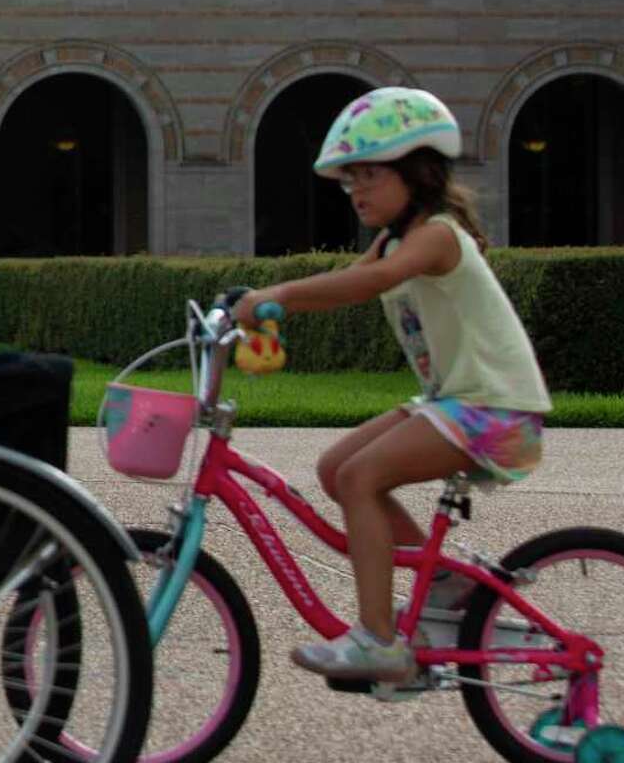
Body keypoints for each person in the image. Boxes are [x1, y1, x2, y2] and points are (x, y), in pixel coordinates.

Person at [232, 87, 550, 686]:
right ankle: (452, 588)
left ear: (418, 171)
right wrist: (262, 310)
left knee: (359, 477)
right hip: (456, 403)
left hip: (494, 410)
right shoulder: (396, 239)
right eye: (351, 178)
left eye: (371, 174)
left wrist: (272, 296)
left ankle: (380, 642)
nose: (357, 189)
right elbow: (347, 282)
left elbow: (369, 282)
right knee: (335, 468)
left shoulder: (438, 235)